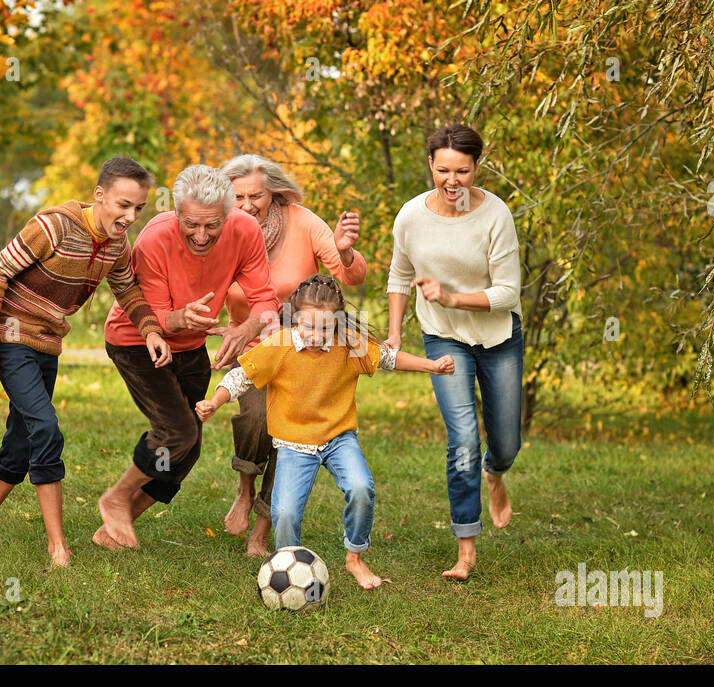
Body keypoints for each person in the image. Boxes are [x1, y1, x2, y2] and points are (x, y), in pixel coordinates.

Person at [0, 156, 168, 567]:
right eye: (123, 205)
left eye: (139, 208)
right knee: (45, 428)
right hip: (13, 337)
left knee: (20, 440)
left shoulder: (115, 245)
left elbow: (127, 290)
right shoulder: (53, 226)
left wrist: (152, 331)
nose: (130, 216)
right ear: (99, 195)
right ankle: (58, 546)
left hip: (48, 344)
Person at [195, 274, 455, 589]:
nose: (317, 335)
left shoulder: (349, 342)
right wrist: (215, 401)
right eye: (308, 327)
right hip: (293, 442)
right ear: (293, 319)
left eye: (325, 328)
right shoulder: (280, 345)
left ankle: (354, 558)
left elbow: (389, 358)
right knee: (286, 513)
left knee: (361, 488)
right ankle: (288, 568)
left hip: (338, 438)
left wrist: (432, 366)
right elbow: (239, 378)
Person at [94, 164, 279, 551]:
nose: (200, 235)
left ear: (227, 215)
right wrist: (180, 318)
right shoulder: (156, 238)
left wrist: (244, 330)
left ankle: (116, 525)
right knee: (176, 432)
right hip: (138, 341)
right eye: (191, 224)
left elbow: (265, 299)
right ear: (177, 212)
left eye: (212, 226)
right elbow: (153, 316)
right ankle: (115, 498)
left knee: (187, 448)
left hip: (192, 346)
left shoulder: (244, 231)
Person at [384, 124, 524, 581]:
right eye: (442, 169)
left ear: (476, 167)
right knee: (463, 436)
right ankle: (466, 549)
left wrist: (453, 297)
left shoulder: (495, 215)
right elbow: (399, 275)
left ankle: (495, 474)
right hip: (443, 337)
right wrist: (395, 334)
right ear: (430, 165)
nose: (451, 180)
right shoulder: (410, 216)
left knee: (504, 442)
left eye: (462, 171)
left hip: (498, 336)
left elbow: (507, 293)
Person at [218, 154, 368, 556]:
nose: (247, 205)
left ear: (275, 193)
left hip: (306, 350)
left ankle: (262, 532)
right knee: (253, 417)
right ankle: (245, 485)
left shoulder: (303, 222)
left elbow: (350, 275)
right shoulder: (223, 230)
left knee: (290, 436)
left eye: (257, 196)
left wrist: (345, 251)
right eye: (238, 197)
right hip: (253, 346)